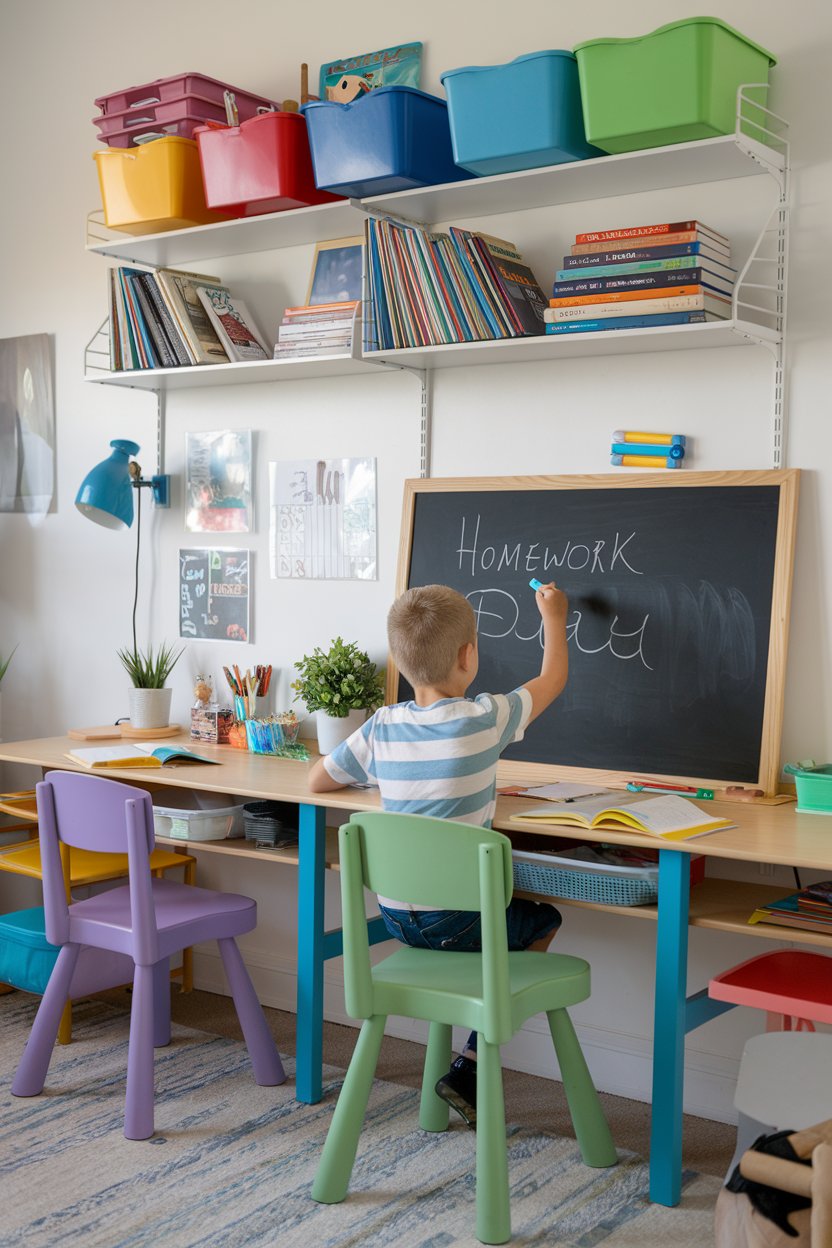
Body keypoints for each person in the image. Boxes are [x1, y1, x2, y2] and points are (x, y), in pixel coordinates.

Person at [308, 580, 569, 1128]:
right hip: (463, 926)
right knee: (544, 919)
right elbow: (552, 680)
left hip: (398, 922)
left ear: (400, 664)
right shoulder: (486, 719)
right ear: (468, 655)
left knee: (480, 918)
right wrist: (553, 615)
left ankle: (466, 1052)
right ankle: (472, 1058)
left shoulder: (380, 727)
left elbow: (317, 780)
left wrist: (376, 781)